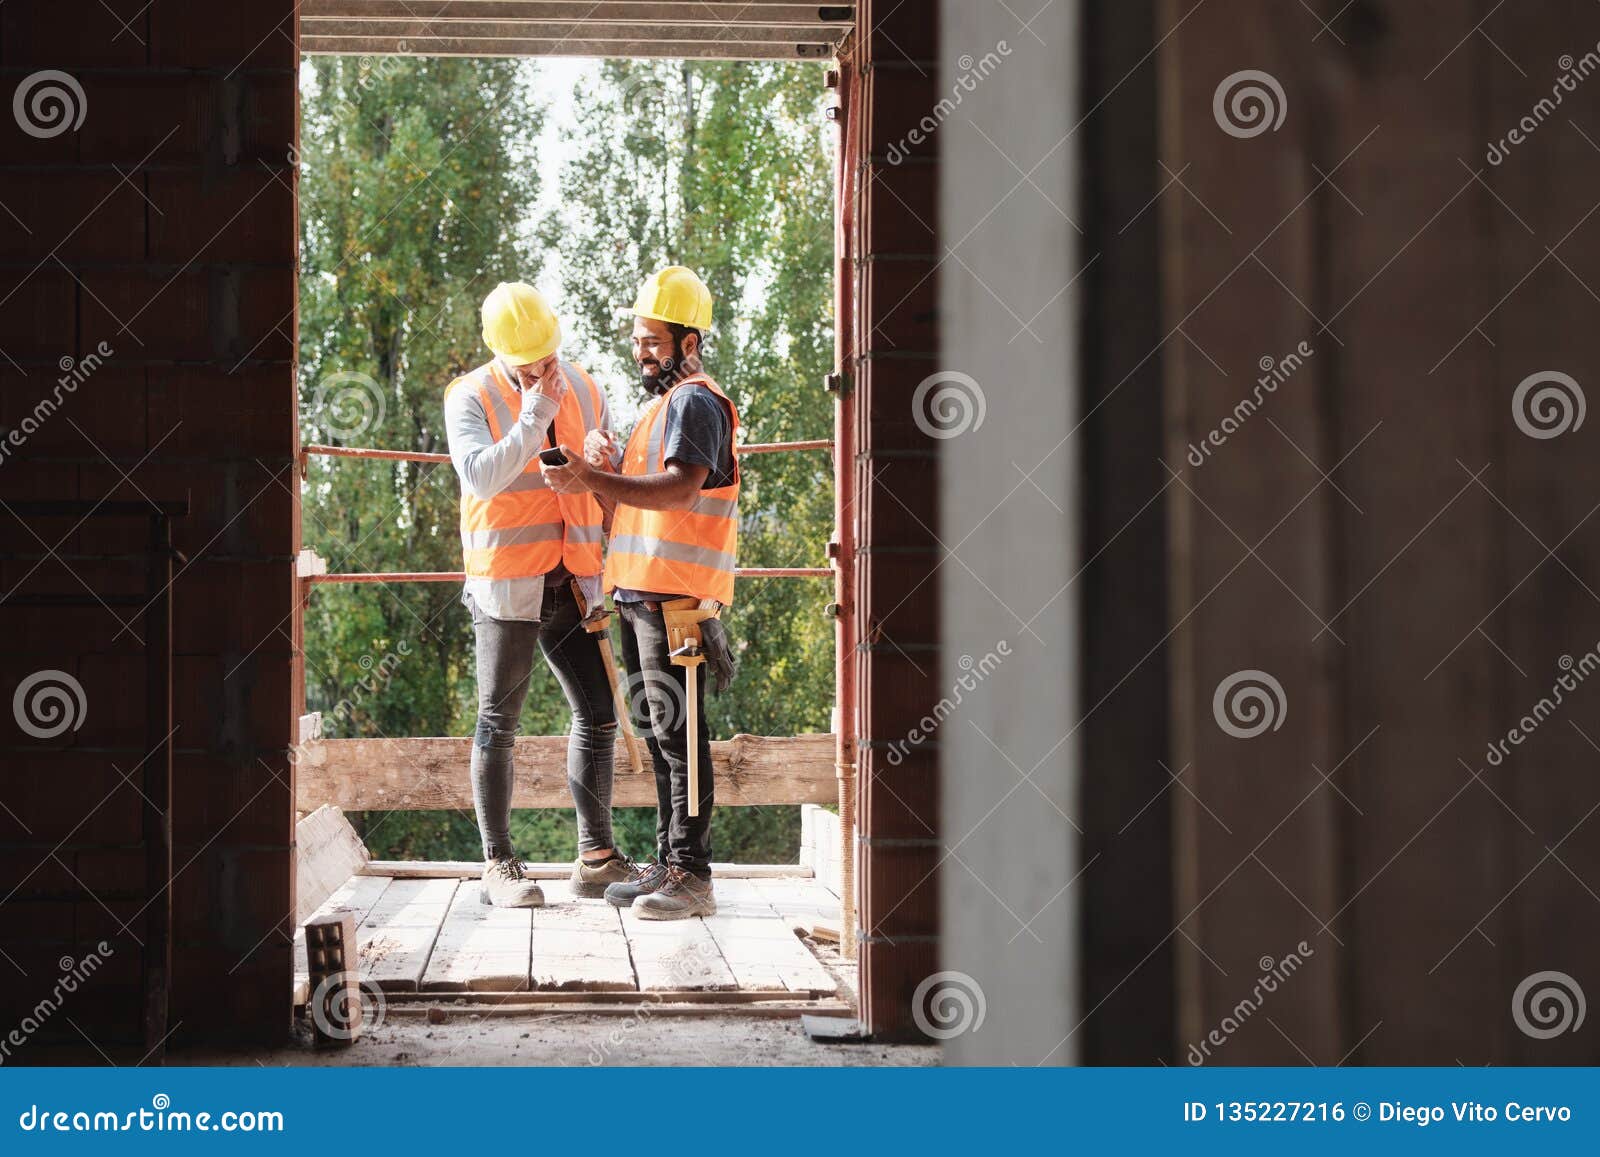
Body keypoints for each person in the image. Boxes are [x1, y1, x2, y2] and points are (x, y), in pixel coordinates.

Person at [541, 266, 739, 920]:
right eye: (636, 339)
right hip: (640, 595)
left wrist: (597, 470)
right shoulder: (659, 410)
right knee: (660, 735)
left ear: (689, 343)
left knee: (680, 737)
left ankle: (693, 872)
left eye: (652, 339)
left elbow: (681, 490)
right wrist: (594, 475)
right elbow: (622, 513)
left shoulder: (696, 402)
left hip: (675, 599)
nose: (640, 351)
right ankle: (669, 859)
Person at [443, 282, 637, 907]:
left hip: (574, 572)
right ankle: (498, 865)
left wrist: (605, 458)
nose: (543, 372)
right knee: (499, 723)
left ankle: (596, 858)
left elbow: (604, 466)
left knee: (600, 713)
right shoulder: (470, 395)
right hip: (506, 581)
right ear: (499, 353)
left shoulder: (582, 384)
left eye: (549, 358)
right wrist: (532, 417)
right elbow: (480, 475)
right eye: (529, 366)